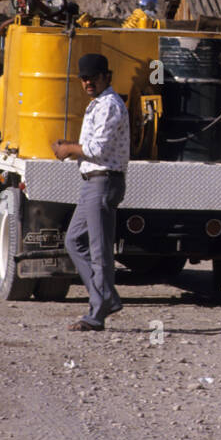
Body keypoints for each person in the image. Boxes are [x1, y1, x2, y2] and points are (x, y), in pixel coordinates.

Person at [52, 53, 130, 331]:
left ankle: (97, 313)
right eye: (83, 78)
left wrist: (68, 149)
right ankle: (106, 296)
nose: (87, 82)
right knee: (74, 241)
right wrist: (71, 148)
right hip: (91, 182)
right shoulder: (97, 105)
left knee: (99, 251)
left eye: (93, 77)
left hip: (103, 181)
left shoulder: (110, 105)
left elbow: (97, 149)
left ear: (106, 77)